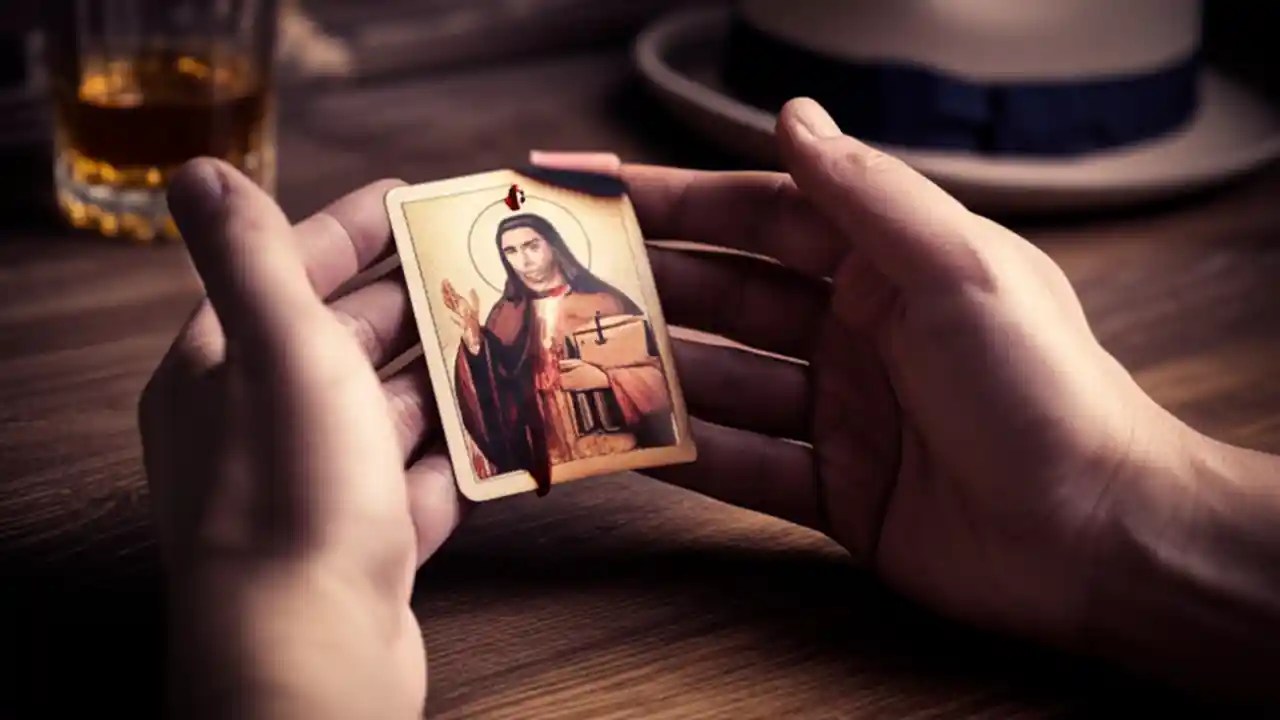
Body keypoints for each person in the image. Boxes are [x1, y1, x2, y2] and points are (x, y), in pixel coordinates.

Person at [138, 97, 1280, 718]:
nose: (532, 257)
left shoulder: (600, 307)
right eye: (517, 246)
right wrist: (1114, 517)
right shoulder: (491, 317)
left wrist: (295, 620)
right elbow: (489, 390)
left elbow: (623, 383)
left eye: (540, 242)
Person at [443, 212, 672, 494]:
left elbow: (659, 377)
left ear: (554, 245)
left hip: (614, 455)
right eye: (511, 251)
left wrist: (603, 378)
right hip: (543, 454)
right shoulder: (505, 315)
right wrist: (475, 343)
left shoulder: (605, 303)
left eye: (532, 246)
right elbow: (493, 390)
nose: (524, 260)